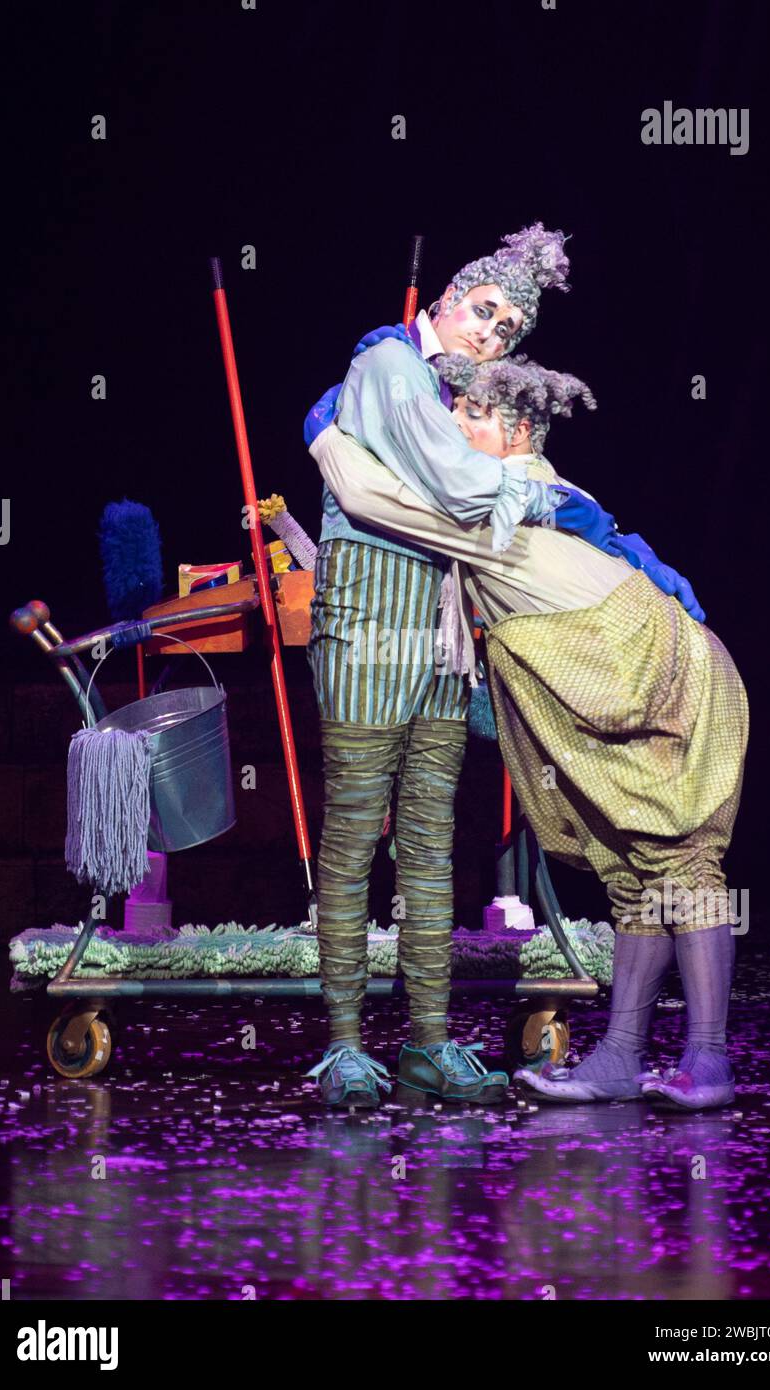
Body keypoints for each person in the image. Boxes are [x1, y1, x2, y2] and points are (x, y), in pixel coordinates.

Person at [308, 353, 748, 1112]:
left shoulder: (500, 501)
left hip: (661, 676)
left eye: (470, 416)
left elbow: (369, 497)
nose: (451, 425)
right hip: (610, 680)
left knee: (683, 863)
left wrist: (329, 430)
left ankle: (708, 1060)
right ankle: (619, 1057)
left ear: (515, 431)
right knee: (636, 874)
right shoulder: (528, 491)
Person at [303, 223, 601, 1109]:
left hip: (438, 635)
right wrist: (529, 487)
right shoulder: (390, 366)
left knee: (431, 846)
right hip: (367, 624)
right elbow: (461, 487)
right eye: (482, 312)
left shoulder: (467, 393)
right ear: (445, 302)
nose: (491, 334)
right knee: (357, 838)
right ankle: (347, 1047)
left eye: (510, 329)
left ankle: (427, 1044)